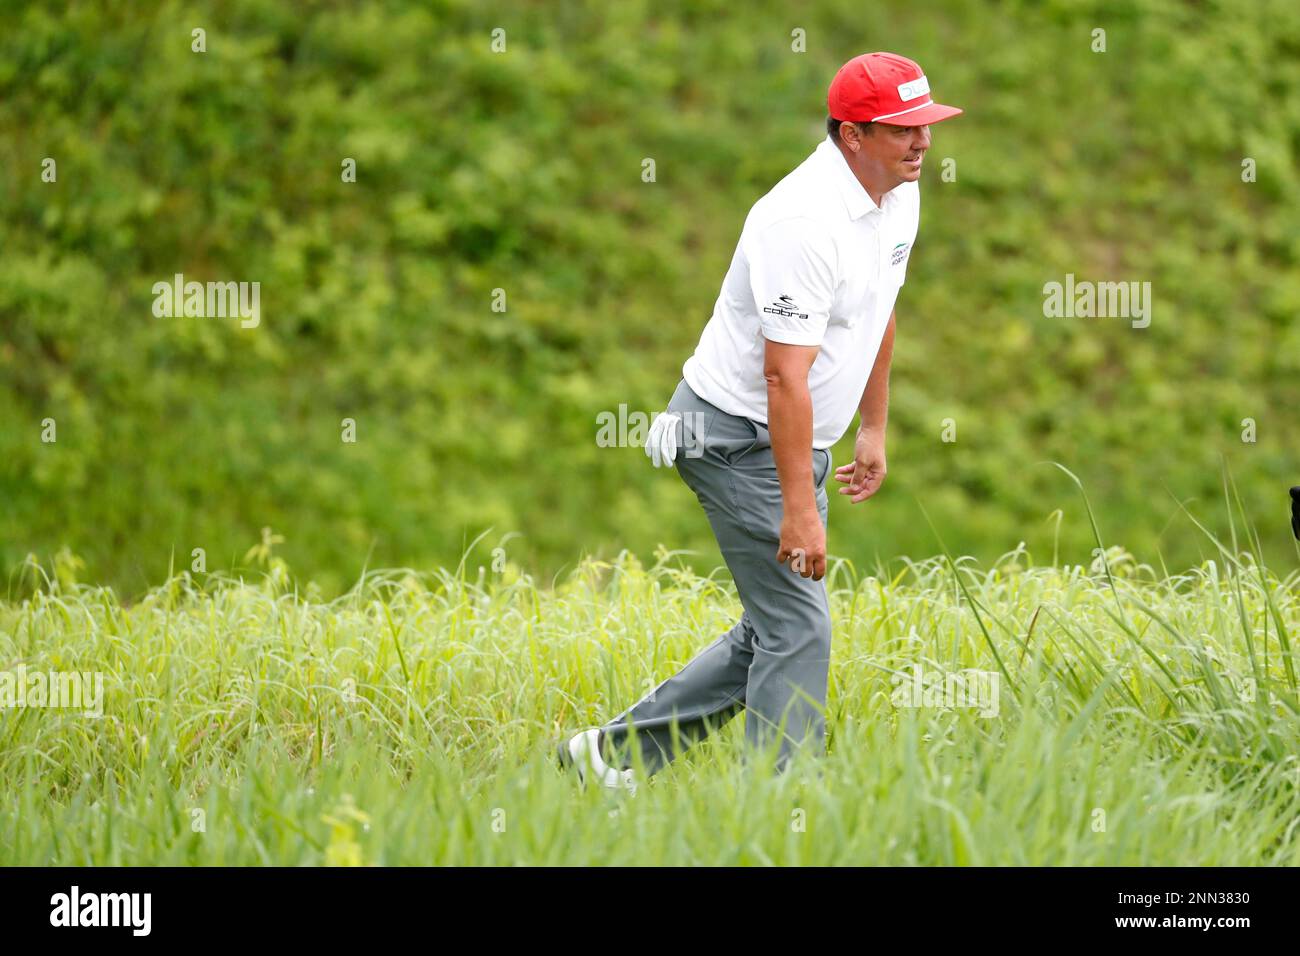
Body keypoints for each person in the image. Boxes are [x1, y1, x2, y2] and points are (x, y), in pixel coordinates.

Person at [557, 52, 963, 792]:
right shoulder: (799, 222)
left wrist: (873, 428)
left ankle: (607, 758)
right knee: (798, 626)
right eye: (903, 129)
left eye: (926, 126)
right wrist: (801, 513)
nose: (922, 143)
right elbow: (783, 375)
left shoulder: (896, 193)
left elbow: (878, 309)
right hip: (731, 437)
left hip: (791, 435)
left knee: (772, 625)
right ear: (851, 135)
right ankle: (781, 810)